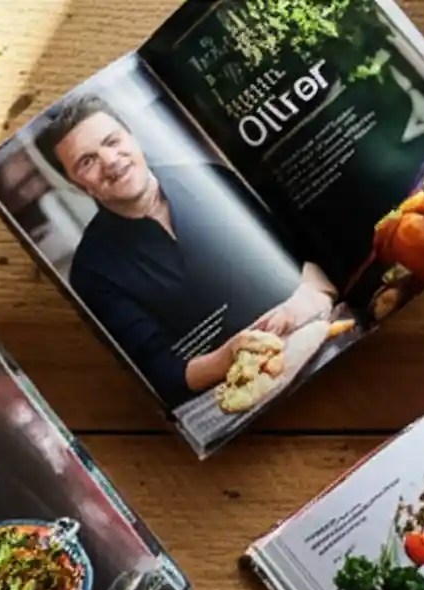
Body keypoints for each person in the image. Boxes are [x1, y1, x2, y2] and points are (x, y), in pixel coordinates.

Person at [34, 93, 338, 408]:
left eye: (112, 141)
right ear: (77, 185)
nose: (110, 162)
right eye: (87, 161)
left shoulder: (214, 180)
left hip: (328, 344)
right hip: (241, 402)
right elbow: (163, 375)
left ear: (132, 137)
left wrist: (307, 300)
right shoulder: (90, 272)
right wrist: (229, 355)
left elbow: (307, 250)